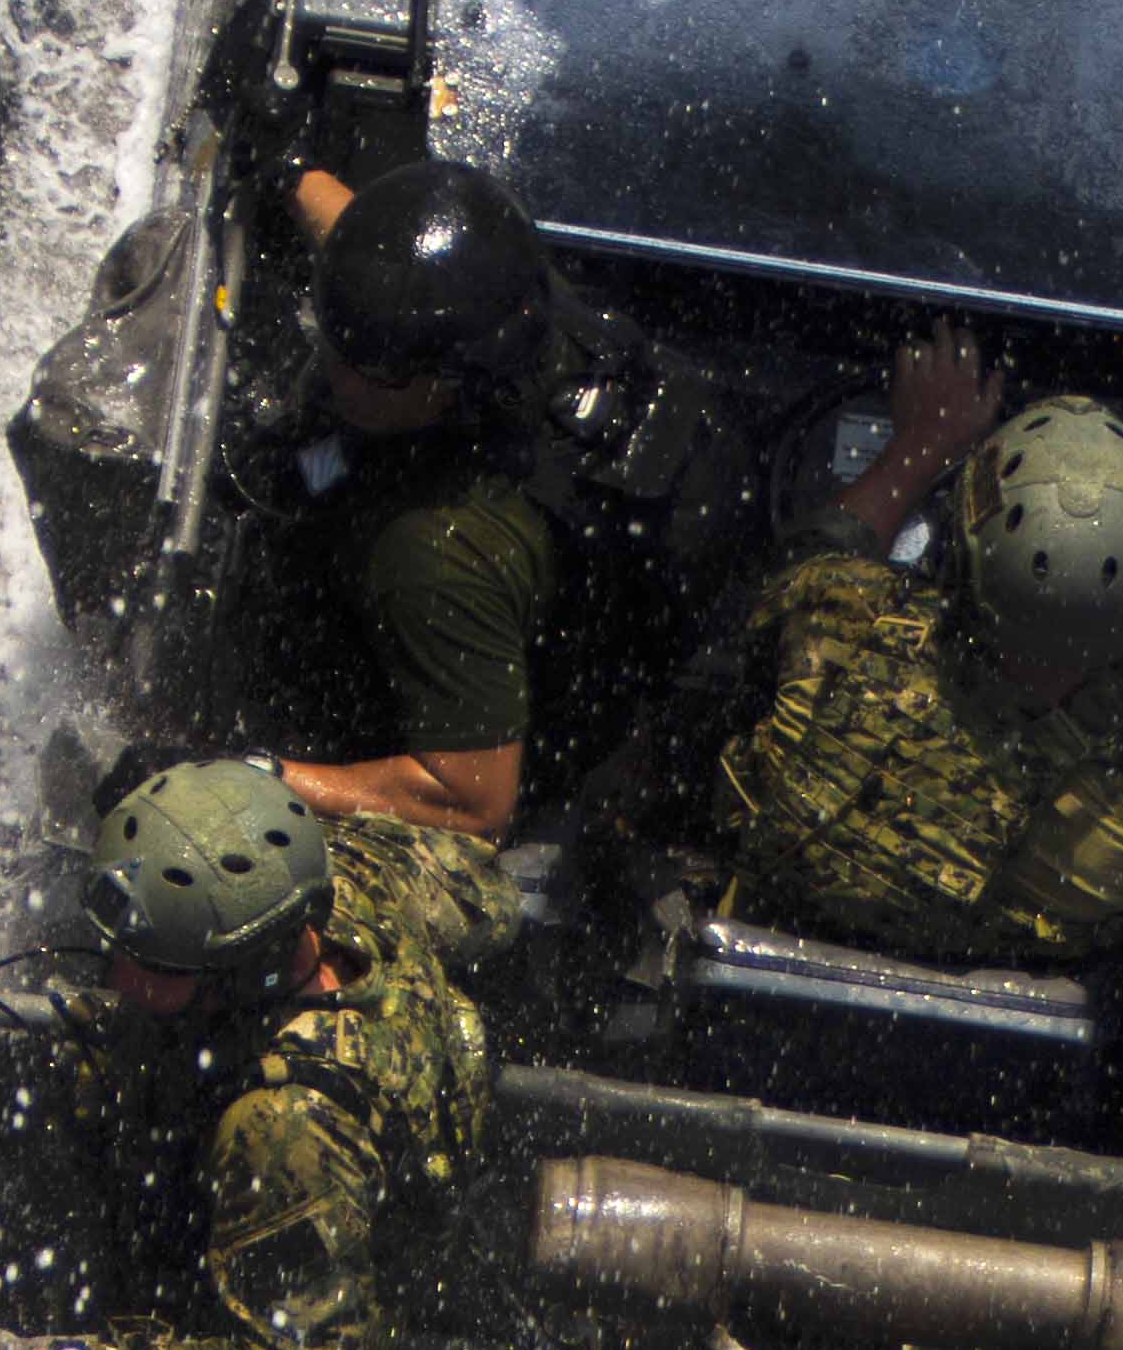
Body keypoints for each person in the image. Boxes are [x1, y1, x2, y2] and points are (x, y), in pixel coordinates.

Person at [0, 759, 492, 1350]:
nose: (118, 978)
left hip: (307, 1262)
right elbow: (482, 885)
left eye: (151, 965)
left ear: (244, 971)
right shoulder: (349, 887)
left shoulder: (282, 1125)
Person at [245, 159, 754, 841]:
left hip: (531, 717)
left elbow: (475, 802)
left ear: (442, 382)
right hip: (598, 576)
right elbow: (387, 266)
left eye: (363, 362)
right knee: (306, 466)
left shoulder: (434, 552)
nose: (334, 366)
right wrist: (291, 170)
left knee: (302, 499)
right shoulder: (499, 295)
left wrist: (259, 773)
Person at [713, 365, 1123, 975]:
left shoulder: (842, 622)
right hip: (991, 1057)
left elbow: (804, 564)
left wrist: (925, 442)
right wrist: (1110, 619)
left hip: (765, 992)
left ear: (966, 559)